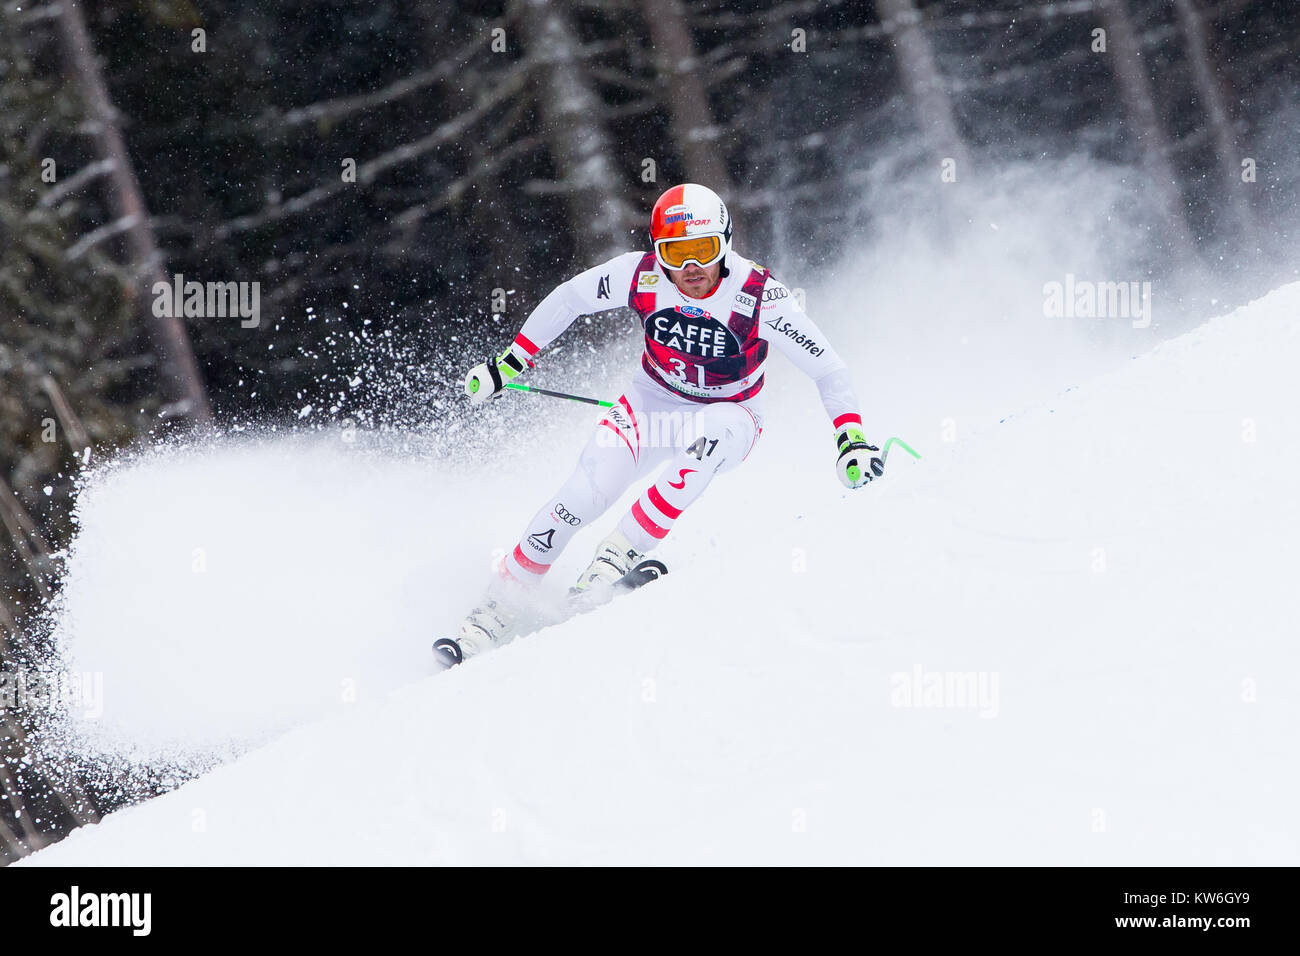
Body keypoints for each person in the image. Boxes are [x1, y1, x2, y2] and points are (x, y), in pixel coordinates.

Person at [433, 183, 883, 667]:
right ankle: (496, 608)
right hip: (650, 403)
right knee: (583, 494)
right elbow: (569, 299)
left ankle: (615, 559)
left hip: (733, 414)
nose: (691, 268)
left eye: (704, 251)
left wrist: (850, 438)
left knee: (704, 444)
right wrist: (511, 362)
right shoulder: (639, 275)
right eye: (676, 253)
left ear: (726, 243)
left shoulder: (758, 296)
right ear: (658, 251)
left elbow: (828, 368)